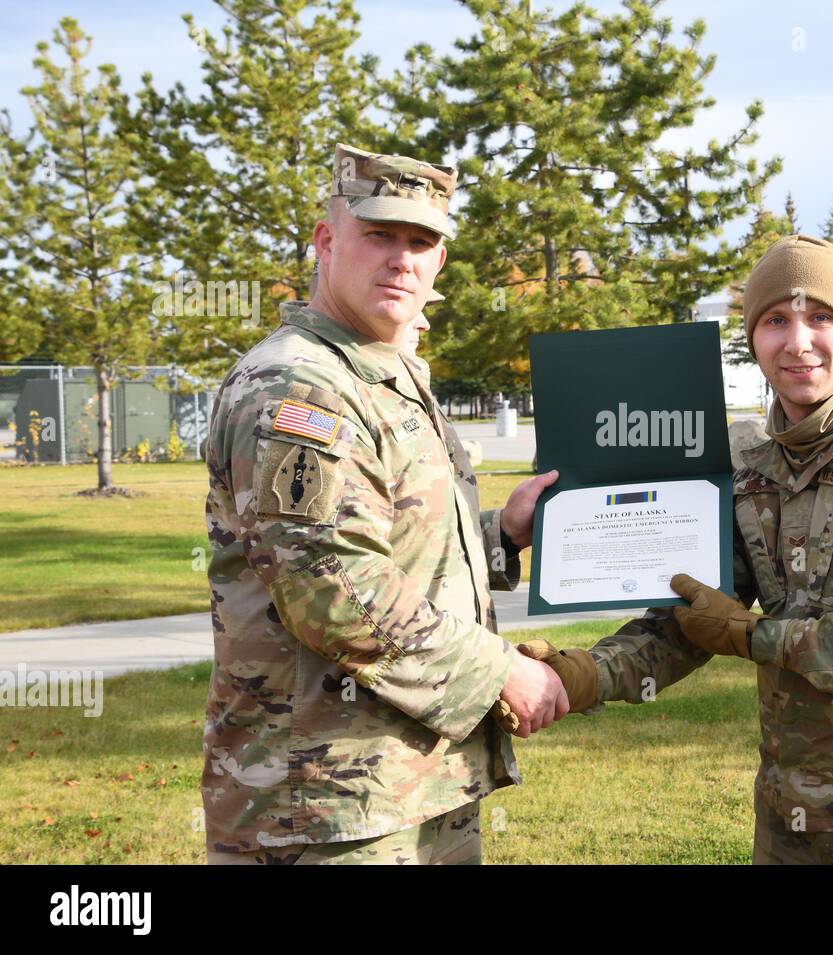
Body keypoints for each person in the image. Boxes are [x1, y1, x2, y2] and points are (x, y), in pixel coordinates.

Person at [529, 234, 833, 864]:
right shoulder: (751, 472)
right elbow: (691, 618)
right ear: (753, 339)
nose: (798, 342)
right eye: (776, 320)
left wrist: (751, 637)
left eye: (821, 318)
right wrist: (581, 675)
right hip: (789, 815)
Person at [201, 143, 567, 865]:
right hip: (322, 808)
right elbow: (334, 589)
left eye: (421, 241)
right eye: (380, 235)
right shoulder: (298, 388)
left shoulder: (381, 371)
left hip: (409, 786)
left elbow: (387, 542)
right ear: (327, 240)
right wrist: (499, 670)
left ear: (438, 262)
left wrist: (503, 534)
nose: (402, 259)